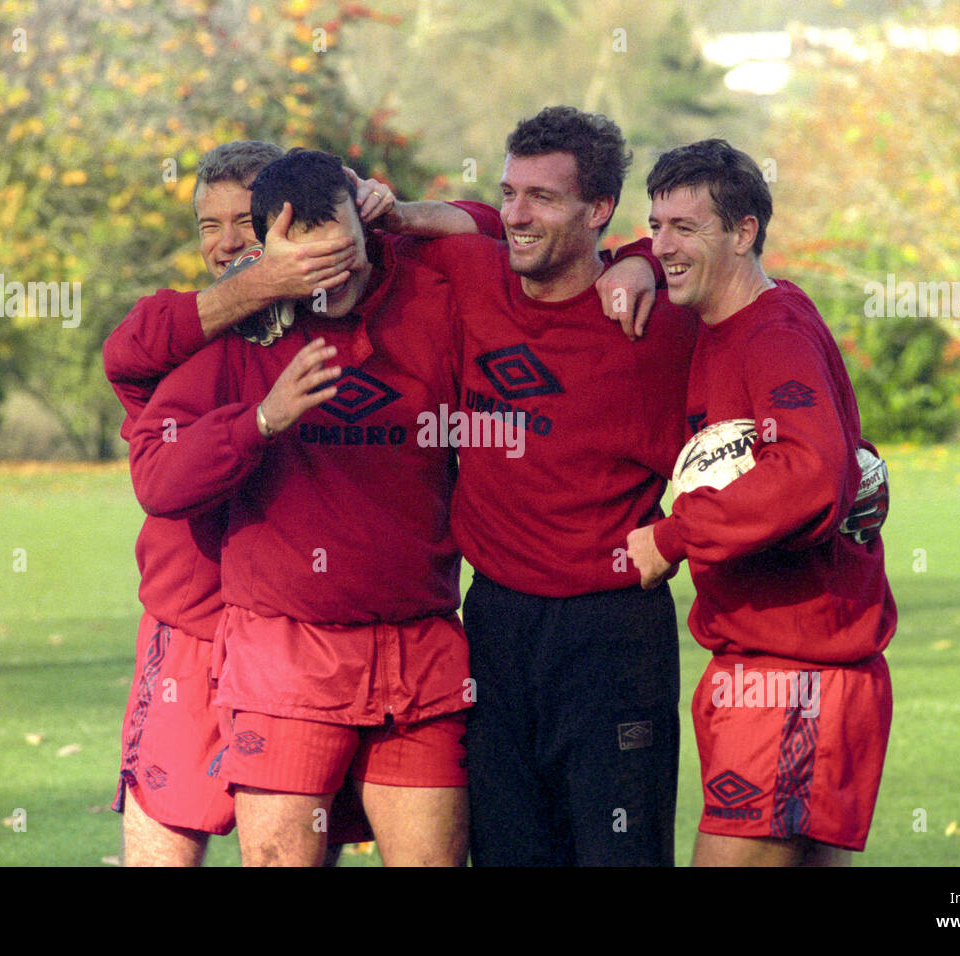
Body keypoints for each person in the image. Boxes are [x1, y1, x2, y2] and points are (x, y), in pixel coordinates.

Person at [127, 149, 486, 865]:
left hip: (419, 647)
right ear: (276, 255)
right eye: (312, 262)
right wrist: (260, 421)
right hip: (284, 656)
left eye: (347, 254)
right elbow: (158, 480)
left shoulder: (431, 297)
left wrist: (631, 263)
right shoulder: (236, 331)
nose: (336, 276)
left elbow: (524, 240)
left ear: (369, 228)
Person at [405, 106, 696, 866]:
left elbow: (748, 314)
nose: (517, 215)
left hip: (611, 634)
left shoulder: (657, 330)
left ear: (598, 210)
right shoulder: (471, 273)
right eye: (510, 194)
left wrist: (645, 261)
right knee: (507, 853)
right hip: (494, 622)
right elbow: (446, 227)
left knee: (618, 855)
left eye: (542, 197)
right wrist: (395, 206)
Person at [104, 140, 388, 866]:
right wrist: (258, 292)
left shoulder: (348, 323)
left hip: (297, 641)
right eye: (209, 225)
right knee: (166, 837)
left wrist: (402, 213)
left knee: (295, 847)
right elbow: (124, 359)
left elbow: (486, 239)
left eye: (243, 221)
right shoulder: (182, 330)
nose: (228, 241)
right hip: (193, 626)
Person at [625, 139, 896, 866]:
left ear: (744, 231)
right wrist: (634, 257)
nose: (663, 245)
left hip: (794, 672)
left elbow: (811, 473)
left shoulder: (773, 335)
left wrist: (674, 536)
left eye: (684, 228)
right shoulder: (734, 322)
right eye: (654, 226)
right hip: (767, 668)